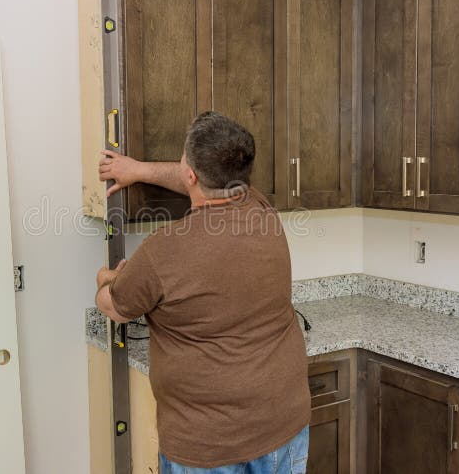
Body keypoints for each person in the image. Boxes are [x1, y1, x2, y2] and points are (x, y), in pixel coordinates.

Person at [95, 111, 311, 474]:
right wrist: (139, 170)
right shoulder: (261, 209)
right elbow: (199, 182)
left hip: (206, 446)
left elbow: (115, 307)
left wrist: (108, 278)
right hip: (282, 425)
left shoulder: (163, 251)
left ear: (191, 173)